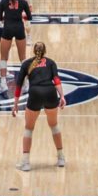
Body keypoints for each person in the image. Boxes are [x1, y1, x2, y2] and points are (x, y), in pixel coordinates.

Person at [16, 41, 66, 171]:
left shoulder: (26, 64)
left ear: (33, 51)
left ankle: (26, 162)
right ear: (45, 51)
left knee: (29, 128)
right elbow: (56, 80)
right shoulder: (50, 62)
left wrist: (15, 105)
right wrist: (62, 96)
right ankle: (61, 157)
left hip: (35, 93)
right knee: (54, 125)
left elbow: (18, 85)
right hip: (50, 92)